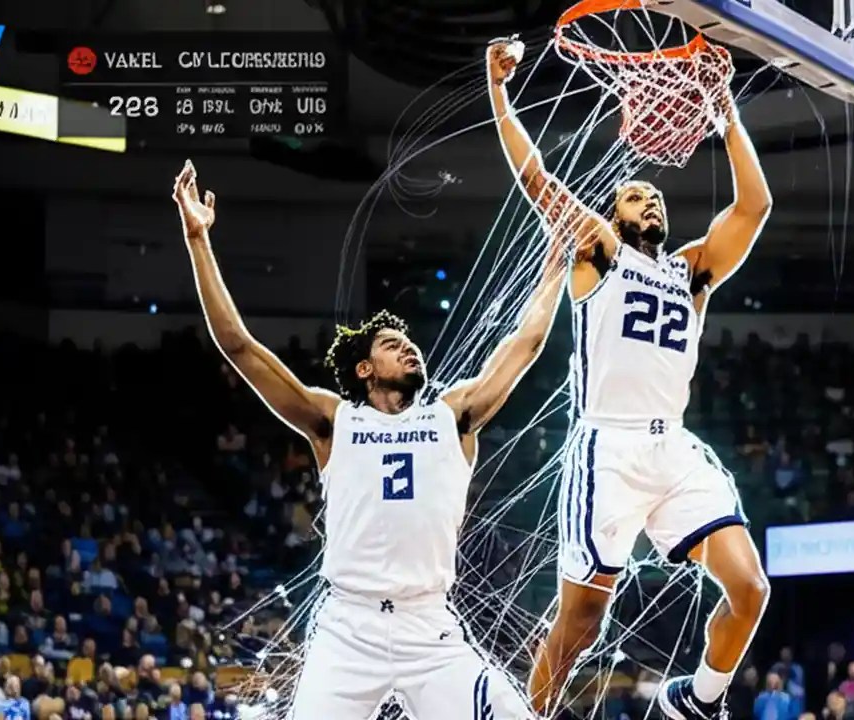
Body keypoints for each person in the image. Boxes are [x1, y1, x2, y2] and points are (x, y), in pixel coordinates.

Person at [172, 159, 564, 719]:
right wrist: (197, 239)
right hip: (347, 630)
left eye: (409, 343)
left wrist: (554, 263)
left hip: (429, 626)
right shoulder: (335, 422)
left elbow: (523, 347)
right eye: (391, 343)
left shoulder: (452, 416)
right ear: (363, 370)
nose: (409, 347)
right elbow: (239, 346)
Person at [486, 35, 773, 720]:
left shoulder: (692, 268)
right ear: (615, 215)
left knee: (751, 589)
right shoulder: (598, 252)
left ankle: (699, 701)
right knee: (583, 619)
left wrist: (724, 110)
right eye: (638, 195)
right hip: (606, 449)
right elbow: (537, 182)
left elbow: (754, 206)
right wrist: (498, 92)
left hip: (672, 447)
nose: (653, 203)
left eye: (658, 199)